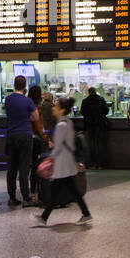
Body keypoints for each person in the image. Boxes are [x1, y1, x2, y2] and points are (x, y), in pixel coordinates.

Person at [33, 97, 92, 227]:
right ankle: (86, 213)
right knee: (71, 191)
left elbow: (58, 147)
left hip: (62, 163)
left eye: (56, 106)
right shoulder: (68, 122)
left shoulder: (61, 125)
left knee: (56, 191)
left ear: (62, 110)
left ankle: (44, 218)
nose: (53, 108)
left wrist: (50, 158)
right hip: (68, 162)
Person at [3, 77, 40, 207]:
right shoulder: (27, 101)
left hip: (11, 135)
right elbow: (36, 117)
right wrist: (27, 117)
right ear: (25, 86)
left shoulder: (8, 100)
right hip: (25, 135)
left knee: (12, 167)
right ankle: (26, 198)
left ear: (14, 85)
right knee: (24, 168)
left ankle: (12, 198)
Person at [28, 84, 51, 201]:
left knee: (32, 165)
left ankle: (32, 191)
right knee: (37, 166)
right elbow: (38, 127)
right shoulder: (35, 108)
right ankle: (35, 191)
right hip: (36, 140)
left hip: (29, 139)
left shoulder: (28, 106)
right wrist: (46, 139)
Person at [80, 86, 109, 169]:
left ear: (89, 92)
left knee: (91, 143)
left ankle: (91, 163)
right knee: (99, 143)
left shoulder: (85, 101)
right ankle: (99, 164)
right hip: (99, 124)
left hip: (89, 125)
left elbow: (82, 112)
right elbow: (106, 111)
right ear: (95, 91)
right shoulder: (101, 99)